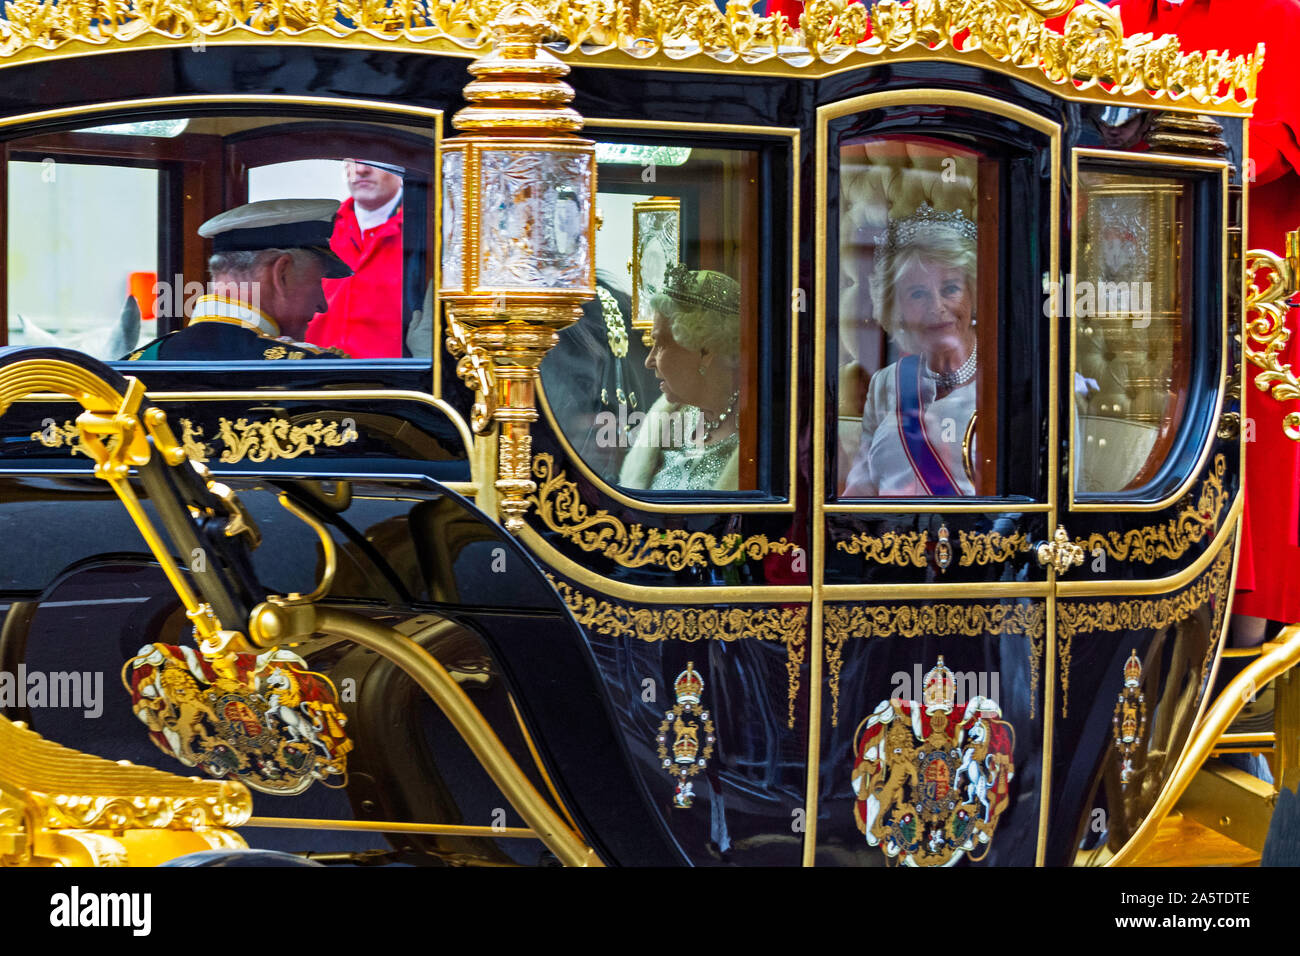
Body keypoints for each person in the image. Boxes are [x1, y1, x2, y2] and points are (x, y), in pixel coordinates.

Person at [842, 202, 978, 496]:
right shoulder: (886, 382)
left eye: (950, 288)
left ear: (973, 295)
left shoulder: (1006, 387)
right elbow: (859, 493)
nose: (937, 307)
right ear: (898, 308)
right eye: (918, 293)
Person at [124, 199, 352, 360]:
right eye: (317, 281)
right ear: (281, 273)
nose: (322, 304)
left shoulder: (134, 366)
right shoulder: (313, 371)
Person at [619, 264, 742, 491]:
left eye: (662, 344)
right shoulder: (667, 420)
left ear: (705, 351)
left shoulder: (756, 437)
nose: (649, 361)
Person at [305, 158, 405, 358]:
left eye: (375, 159)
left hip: (395, 379)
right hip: (317, 375)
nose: (361, 170)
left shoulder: (427, 228)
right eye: (353, 160)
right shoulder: (320, 226)